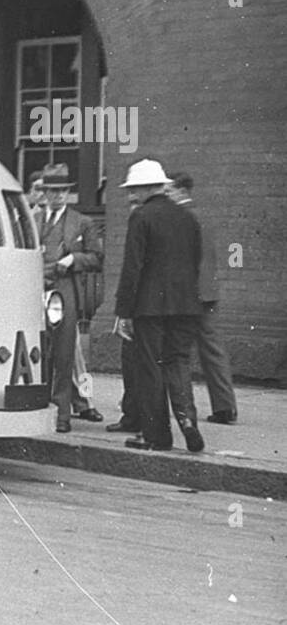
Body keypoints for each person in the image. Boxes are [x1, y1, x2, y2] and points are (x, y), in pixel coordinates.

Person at [113, 158, 204, 452]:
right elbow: (195, 261)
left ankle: (156, 435)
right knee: (178, 363)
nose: (130, 196)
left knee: (149, 367)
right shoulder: (188, 218)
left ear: (149, 187)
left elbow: (133, 268)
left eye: (134, 190)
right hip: (186, 305)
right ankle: (188, 421)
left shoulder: (141, 217)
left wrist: (124, 312)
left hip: (150, 307)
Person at [37, 164, 104, 432]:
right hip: (36, 289)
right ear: (44, 194)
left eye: (63, 191)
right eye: (53, 191)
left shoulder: (82, 222)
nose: (58, 196)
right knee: (38, 352)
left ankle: (67, 411)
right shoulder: (32, 219)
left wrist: (74, 259)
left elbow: (96, 257)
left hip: (65, 291)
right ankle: (40, 407)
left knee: (67, 354)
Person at [167, 171, 237, 424]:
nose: (167, 196)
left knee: (177, 353)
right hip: (207, 292)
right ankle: (225, 407)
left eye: (169, 191)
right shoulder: (202, 217)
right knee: (213, 351)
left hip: (189, 294)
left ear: (182, 191)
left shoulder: (180, 218)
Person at [106, 193, 144, 433]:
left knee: (137, 365)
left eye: (137, 203)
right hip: (135, 308)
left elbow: (133, 272)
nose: (133, 209)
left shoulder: (142, 229)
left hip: (141, 310)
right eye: (130, 203)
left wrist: (124, 312)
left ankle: (136, 417)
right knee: (130, 365)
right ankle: (131, 415)